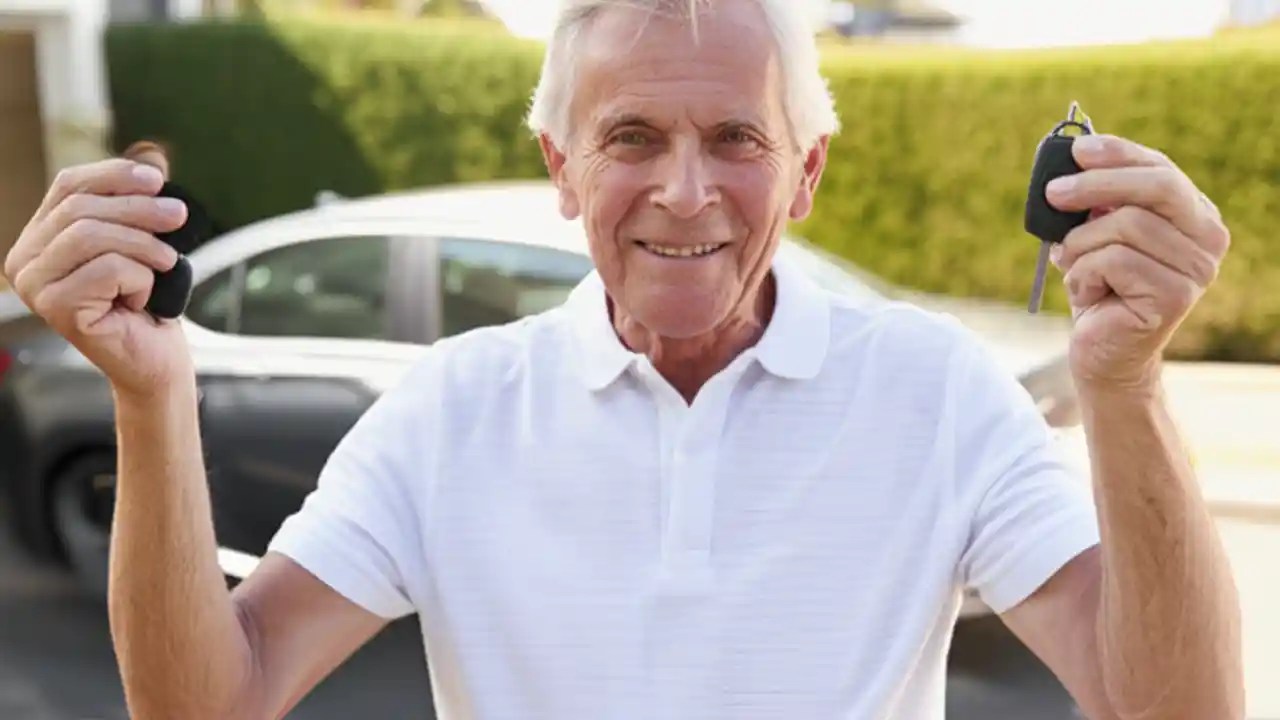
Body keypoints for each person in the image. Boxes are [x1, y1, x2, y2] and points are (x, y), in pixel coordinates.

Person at [2, 0, 1244, 717]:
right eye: (632, 135)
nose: (684, 190)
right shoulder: (448, 410)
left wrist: (1125, 385)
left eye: (736, 137)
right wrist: (149, 395)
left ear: (805, 173)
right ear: (562, 169)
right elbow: (208, 704)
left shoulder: (937, 391)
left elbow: (1172, 709)